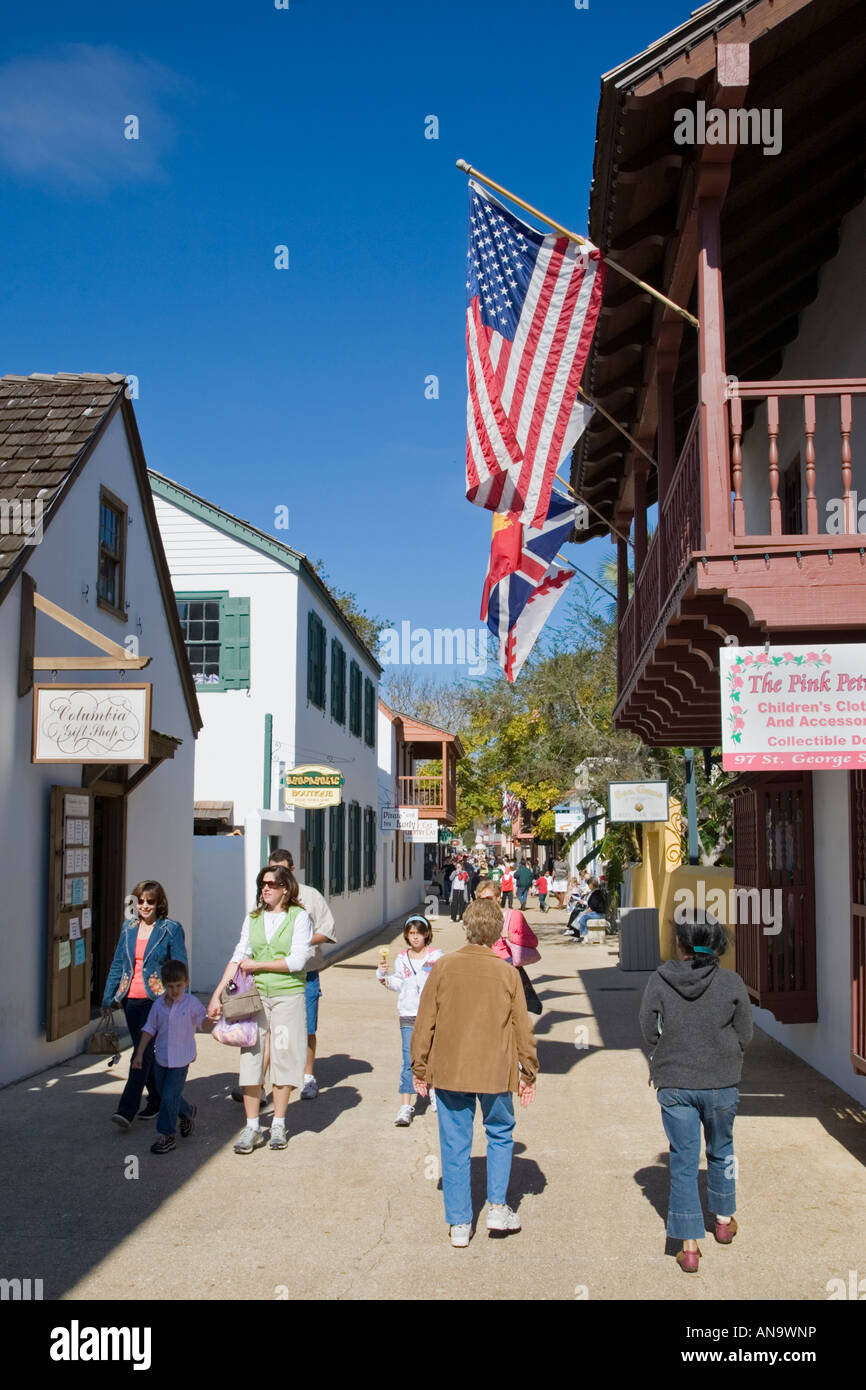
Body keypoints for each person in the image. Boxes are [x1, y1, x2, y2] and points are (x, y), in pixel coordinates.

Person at [412, 898, 538, 1247]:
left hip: (451, 1068)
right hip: (495, 1069)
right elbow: (521, 1028)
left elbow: (425, 1022)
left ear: (466, 928)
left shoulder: (444, 967)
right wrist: (529, 1070)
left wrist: (419, 1067)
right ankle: (497, 1207)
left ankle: (459, 1224)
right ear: (498, 932)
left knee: (454, 1143)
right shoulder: (507, 973)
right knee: (499, 1132)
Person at [639, 912, 753, 1273]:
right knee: (722, 1151)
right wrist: (727, 1053)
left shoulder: (660, 979)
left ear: (681, 944)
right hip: (721, 1083)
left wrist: (664, 1051)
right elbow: (746, 1032)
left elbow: (647, 1025)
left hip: (675, 1085)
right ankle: (723, 1220)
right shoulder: (732, 982)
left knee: (684, 1161)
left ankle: (688, 1246)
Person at [208, 864, 313, 1153]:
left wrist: (258, 965)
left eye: (270, 884)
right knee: (251, 1058)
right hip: (255, 997)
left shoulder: (299, 917)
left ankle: (278, 1123)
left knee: (283, 1057)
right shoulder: (253, 918)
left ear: (285, 888)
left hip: (287, 995)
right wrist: (217, 995)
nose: (264, 888)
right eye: (261, 884)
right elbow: (238, 956)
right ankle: (252, 1126)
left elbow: (298, 960)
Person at [102, 881, 188, 1130]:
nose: (145, 906)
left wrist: (179, 1000)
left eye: (150, 901)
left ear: (159, 903)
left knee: (140, 1053)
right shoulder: (128, 928)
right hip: (131, 998)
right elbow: (119, 963)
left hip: (158, 1000)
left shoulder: (170, 929)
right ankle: (174, 1105)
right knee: (149, 1056)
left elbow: (180, 964)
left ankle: (126, 1110)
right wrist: (109, 997)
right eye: (140, 901)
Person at [268, 849, 336, 1100]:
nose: (276, 876)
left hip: (305, 973)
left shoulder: (310, 896)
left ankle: (308, 1077)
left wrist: (299, 941)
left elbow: (327, 930)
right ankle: (269, 1081)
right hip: (272, 974)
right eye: (272, 870)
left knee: (306, 1028)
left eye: (282, 870)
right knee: (272, 1030)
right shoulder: (264, 896)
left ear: (292, 871)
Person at [131, 959, 214, 1154]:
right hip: (161, 1058)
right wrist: (140, 1053)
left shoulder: (191, 1003)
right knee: (164, 1093)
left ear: (186, 982)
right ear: (164, 985)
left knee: (168, 1096)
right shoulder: (159, 1005)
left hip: (181, 1059)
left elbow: (203, 1022)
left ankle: (166, 1135)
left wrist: (211, 1018)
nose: (175, 990)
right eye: (170, 986)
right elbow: (149, 1028)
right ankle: (187, 1112)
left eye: (179, 985)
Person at [376, 914, 443, 1126]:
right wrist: (383, 976)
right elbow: (397, 983)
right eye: (411, 933)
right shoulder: (401, 959)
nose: (415, 938)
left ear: (426, 934)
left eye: (419, 933)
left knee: (432, 1055)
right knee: (408, 1059)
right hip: (408, 1012)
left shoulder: (437, 957)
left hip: (431, 1014)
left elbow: (444, 982)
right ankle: (405, 1105)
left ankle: (434, 1093)